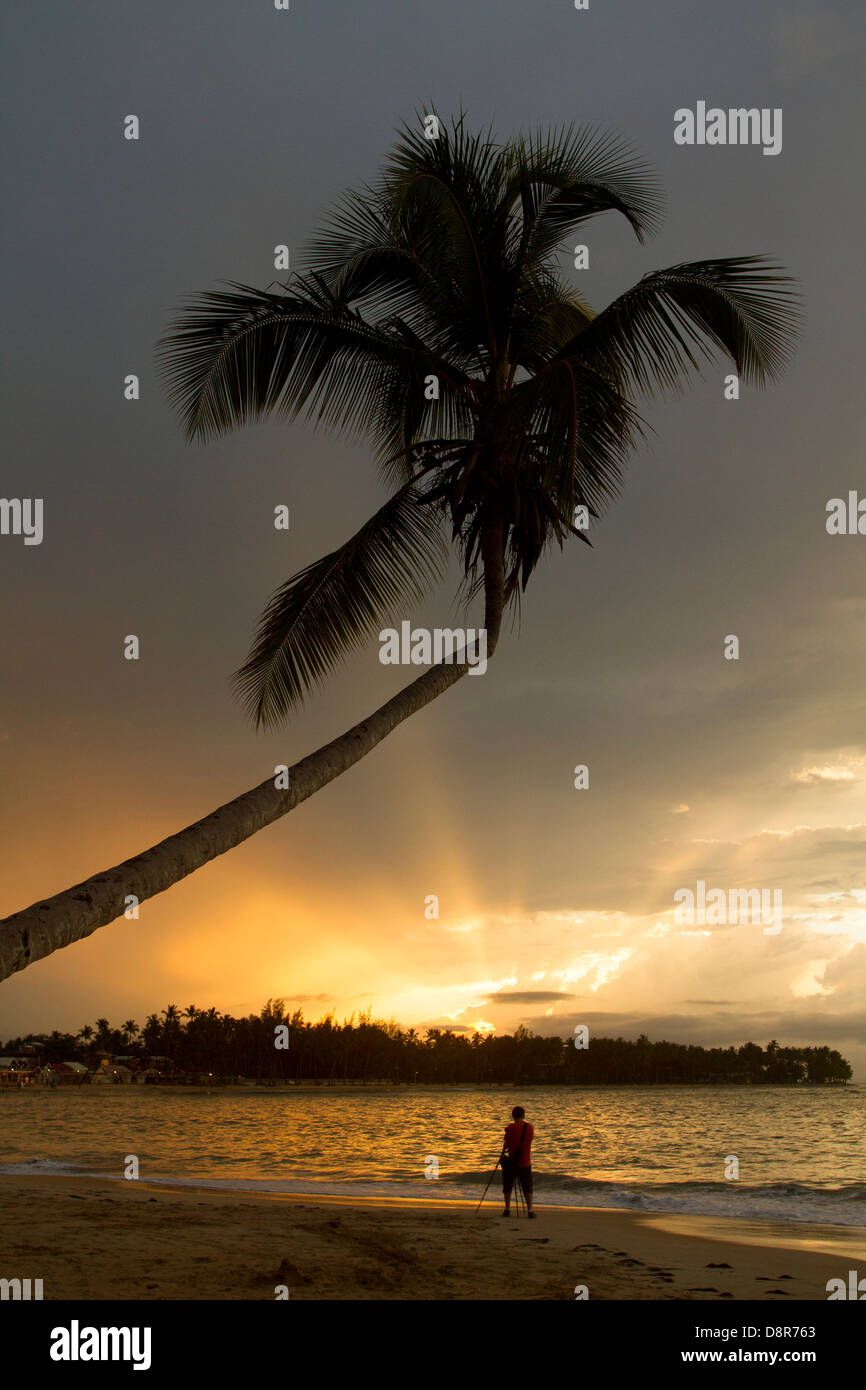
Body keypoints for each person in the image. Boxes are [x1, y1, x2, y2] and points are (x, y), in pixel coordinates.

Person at [500, 1105, 535, 1217]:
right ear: (523, 1115)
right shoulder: (530, 1128)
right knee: (527, 1186)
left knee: (508, 1184)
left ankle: (507, 1209)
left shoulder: (510, 1128)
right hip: (525, 1161)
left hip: (512, 1161)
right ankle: (530, 1210)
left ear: (513, 1115)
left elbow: (506, 1144)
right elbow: (530, 1140)